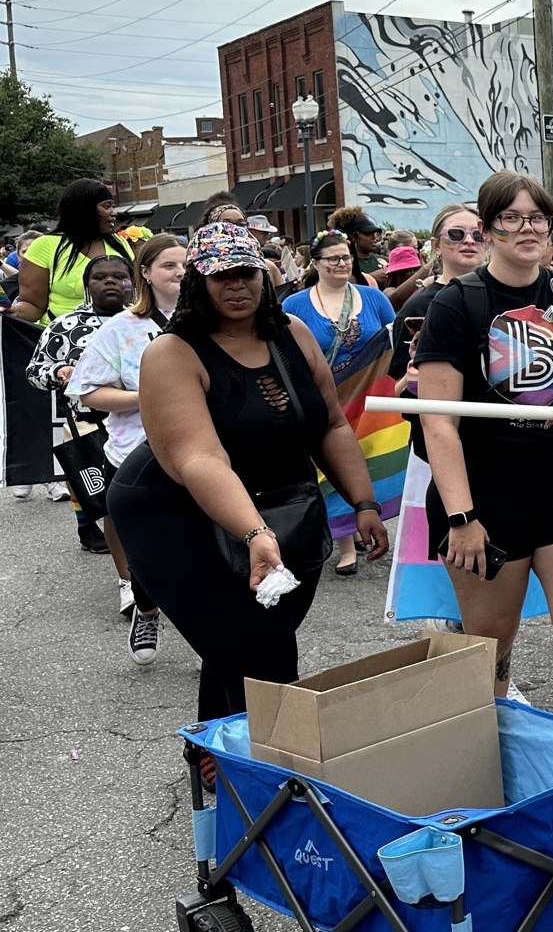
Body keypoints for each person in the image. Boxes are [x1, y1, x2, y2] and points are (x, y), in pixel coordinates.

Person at [105, 223, 389, 729]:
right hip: (172, 511)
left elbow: (329, 424)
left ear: (265, 275)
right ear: (198, 282)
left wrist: (363, 502)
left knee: (247, 650)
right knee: (264, 657)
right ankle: (277, 786)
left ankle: (214, 765)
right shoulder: (171, 353)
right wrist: (255, 531)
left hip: (280, 499)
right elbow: (200, 459)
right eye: (221, 277)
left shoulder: (291, 335)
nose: (236, 286)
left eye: (246, 274)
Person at [413, 171, 553, 698]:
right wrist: (461, 517)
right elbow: (438, 421)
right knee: (490, 643)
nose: (527, 228)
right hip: (486, 496)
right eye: (511, 218)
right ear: (488, 227)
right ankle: (485, 752)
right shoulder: (455, 303)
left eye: (537, 218)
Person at [70, 233, 186, 644]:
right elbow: (89, 392)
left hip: (200, 454)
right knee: (148, 554)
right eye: (169, 265)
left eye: (186, 264)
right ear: (146, 273)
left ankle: (210, 637)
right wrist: (146, 396)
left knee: (204, 551)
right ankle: (147, 607)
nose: (180, 272)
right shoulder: (122, 328)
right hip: (135, 455)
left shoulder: (211, 322)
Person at [283, 231, 397, 575]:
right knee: (330, 468)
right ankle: (344, 543)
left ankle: (367, 524)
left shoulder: (372, 298)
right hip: (324, 400)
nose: (342, 264)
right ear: (314, 263)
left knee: (369, 461)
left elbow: (392, 342)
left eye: (346, 257)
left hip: (369, 398)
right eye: (332, 258)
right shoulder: (295, 304)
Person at [28, 253, 134, 554]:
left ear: (133, 282)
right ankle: (87, 526)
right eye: (100, 277)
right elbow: (34, 371)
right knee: (89, 482)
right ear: (88, 284)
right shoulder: (65, 326)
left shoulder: (146, 321)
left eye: (118, 276)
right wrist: (58, 371)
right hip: (84, 419)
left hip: (137, 418)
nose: (110, 282)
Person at [389, 205, 490, 459]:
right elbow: (400, 393)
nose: (469, 241)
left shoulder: (504, 297)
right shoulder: (418, 307)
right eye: (456, 234)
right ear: (436, 245)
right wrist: (418, 364)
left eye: (477, 235)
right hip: (438, 447)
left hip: (502, 440)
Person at [8, 178, 136, 324]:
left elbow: (133, 290)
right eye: (106, 206)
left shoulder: (120, 244)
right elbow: (33, 306)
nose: (113, 213)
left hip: (118, 336)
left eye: (113, 207)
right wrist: (13, 311)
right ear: (84, 209)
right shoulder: (45, 246)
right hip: (62, 340)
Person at [330, 207, 387, 287]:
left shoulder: (385, 260)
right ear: (352, 237)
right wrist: (370, 277)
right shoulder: (342, 263)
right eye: (367, 234)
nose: (374, 237)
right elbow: (335, 283)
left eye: (374, 233)